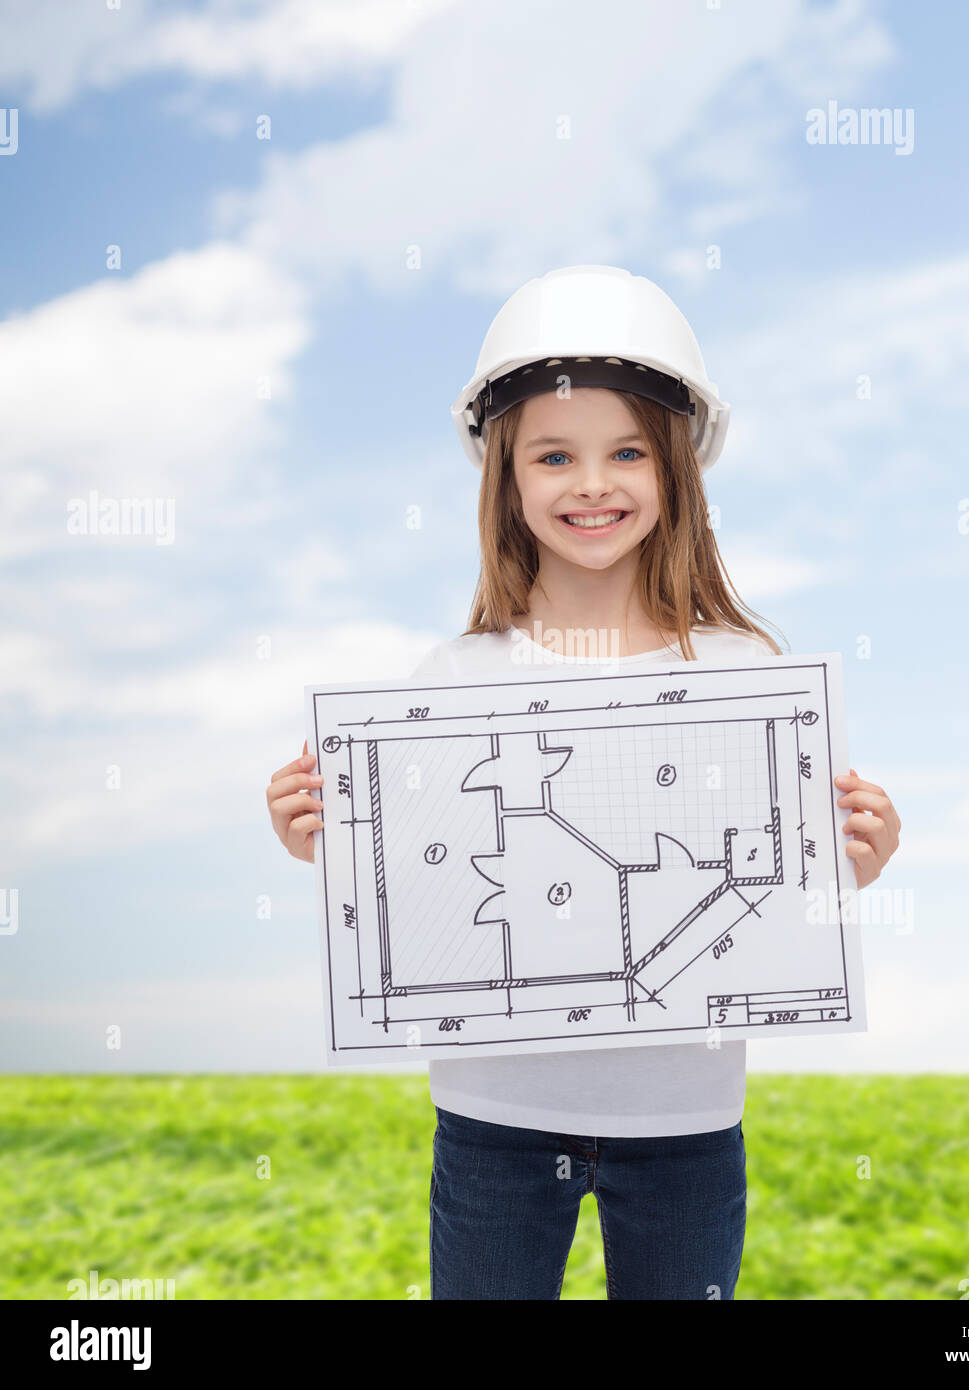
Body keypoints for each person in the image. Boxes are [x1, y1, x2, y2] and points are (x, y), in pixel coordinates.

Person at [266, 265, 901, 1300]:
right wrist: (320, 840)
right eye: (554, 455)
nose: (591, 484)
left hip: (684, 1125)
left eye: (625, 453)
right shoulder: (446, 680)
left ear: (676, 469)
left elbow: (777, 893)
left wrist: (853, 861)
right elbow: (413, 885)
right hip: (493, 1124)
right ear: (505, 478)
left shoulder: (742, 671)